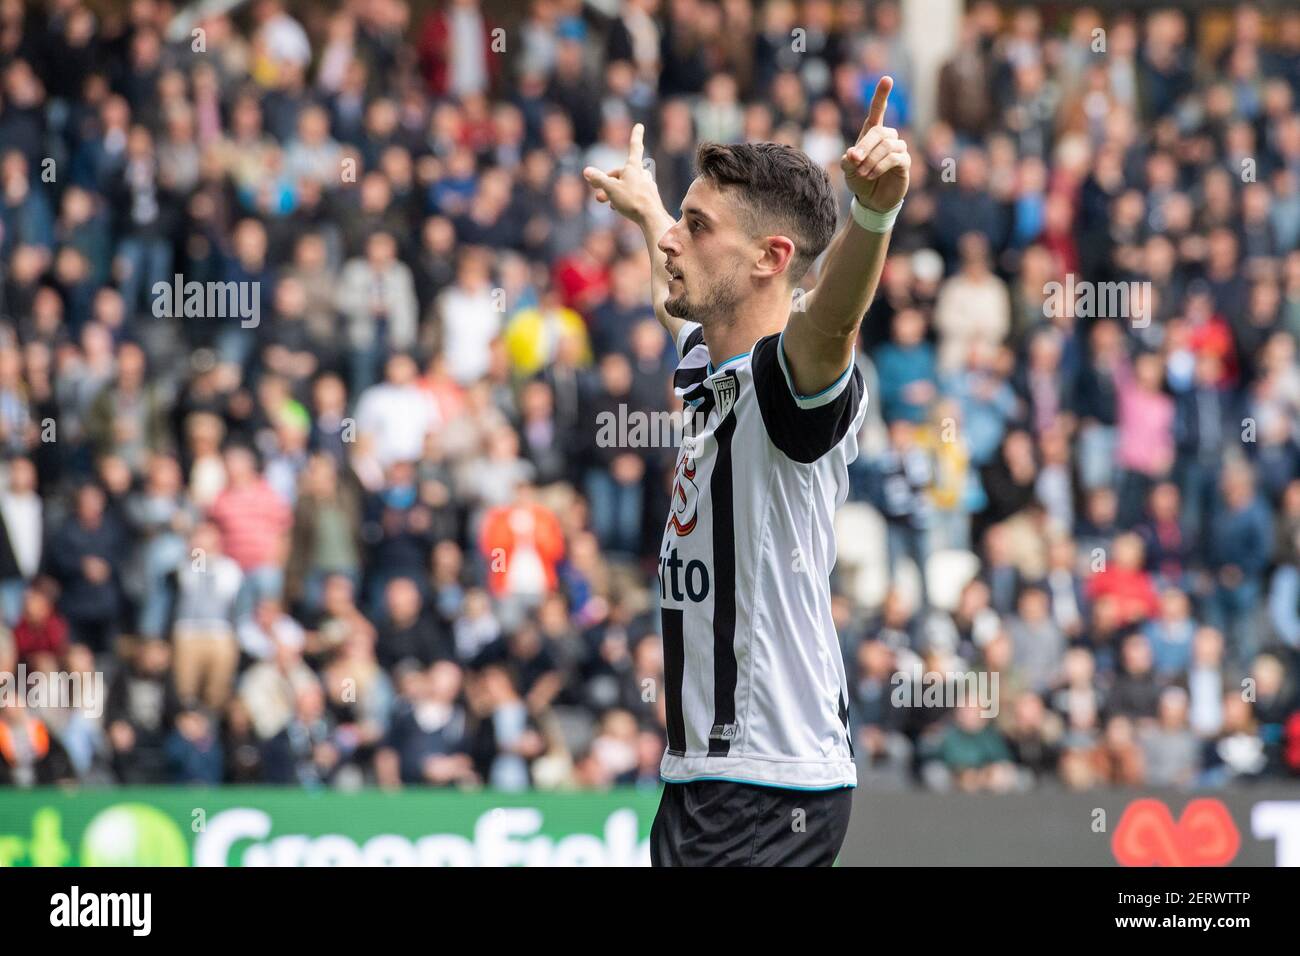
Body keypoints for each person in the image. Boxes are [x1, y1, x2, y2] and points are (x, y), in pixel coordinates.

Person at [583, 77, 911, 866]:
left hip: (768, 784)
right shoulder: (710, 361)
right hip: (703, 778)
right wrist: (648, 211)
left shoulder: (785, 389)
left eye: (696, 227)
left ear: (773, 257)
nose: (674, 241)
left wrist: (873, 214)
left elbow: (830, 322)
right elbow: (677, 297)